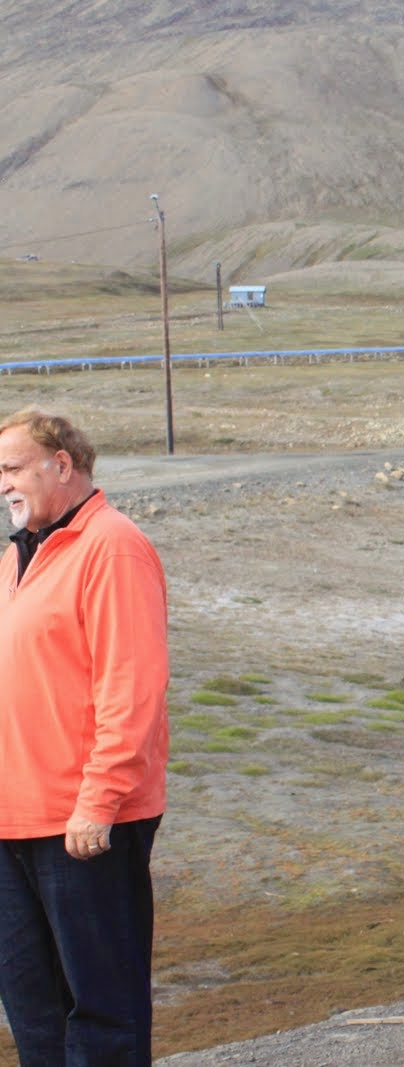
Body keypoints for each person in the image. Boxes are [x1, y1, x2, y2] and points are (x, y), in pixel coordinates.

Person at [0, 408, 169, 1066]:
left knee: (102, 1007)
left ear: (61, 465)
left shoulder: (112, 546)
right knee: (33, 1008)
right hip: (13, 821)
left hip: (83, 824)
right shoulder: (20, 557)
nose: (3, 484)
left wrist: (98, 800)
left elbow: (132, 688)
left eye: (12, 468)